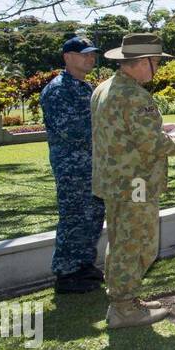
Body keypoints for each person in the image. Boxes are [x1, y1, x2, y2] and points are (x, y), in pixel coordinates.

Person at [91, 33, 175, 329]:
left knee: (121, 241)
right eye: (156, 62)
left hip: (115, 182)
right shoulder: (135, 96)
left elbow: (125, 130)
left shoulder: (106, 88)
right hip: (136, 184)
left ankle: (125, 299)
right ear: (140, 62)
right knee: (138, 244)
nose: (157, 68)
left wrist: (162, 127)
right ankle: (124, 307)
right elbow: (154, 145)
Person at [40, 36, 107, 294]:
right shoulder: (58, 90)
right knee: (73, 218)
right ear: (68, 57)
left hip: (92, 166)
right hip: (73, 169)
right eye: (84, 54)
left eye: (92, 54)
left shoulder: (84, 87)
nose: (90, 58)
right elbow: (74, 130)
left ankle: (83, 265)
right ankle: (66, 274)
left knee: (92, 216)